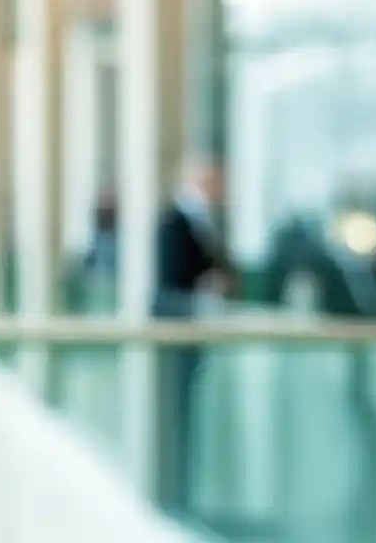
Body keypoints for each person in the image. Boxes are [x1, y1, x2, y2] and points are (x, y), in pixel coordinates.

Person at [153, 155, 234, 518]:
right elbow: (174, 281)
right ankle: (173, 492)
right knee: (175, 413)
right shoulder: (174, 223)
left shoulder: (206, 222)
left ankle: (182, 491)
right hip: (179, 336)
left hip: (193, 335)